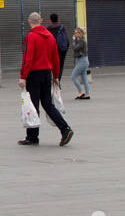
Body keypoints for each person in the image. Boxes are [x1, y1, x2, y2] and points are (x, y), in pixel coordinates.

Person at [18, 12, 74, 147]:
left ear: (29, 21)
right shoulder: (49, 36)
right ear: (41, 21)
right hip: (47, 74)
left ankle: (32, 137)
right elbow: (56, 58)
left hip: (34, 74)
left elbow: (28, 58)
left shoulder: (31, 37)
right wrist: (56, 76)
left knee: (33, 104)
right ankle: (65, 129)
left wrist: (23, 77)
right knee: (48, 104)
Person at [47, 13, 70, 82]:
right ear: (58, 19)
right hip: (61, 50)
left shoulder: (48, 29)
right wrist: (66, 48)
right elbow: (67, 39)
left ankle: (51, 81)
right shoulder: (62, 27)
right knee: (60, 66)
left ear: (50, 20)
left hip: (51, 50)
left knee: (50, 66)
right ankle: (58, 82)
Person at [70, 27, 90, 100]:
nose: (75, 34)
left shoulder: (81, 41)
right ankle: (87, 94)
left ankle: (81, 92)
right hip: (81, 60)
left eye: (76, 33)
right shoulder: (80, 41)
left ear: (80, 33)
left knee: (73, 76)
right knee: (84, 78)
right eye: (74, 33)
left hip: (82, 61)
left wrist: (74, 40)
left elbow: (75, 48)